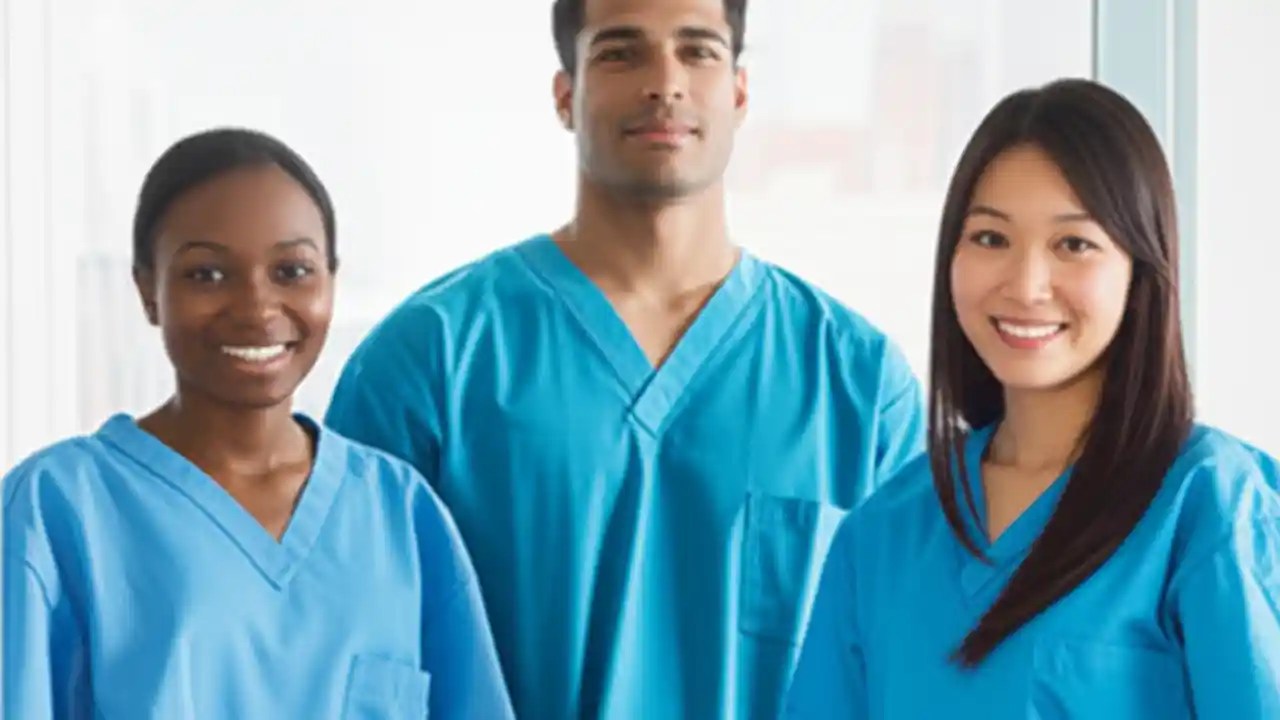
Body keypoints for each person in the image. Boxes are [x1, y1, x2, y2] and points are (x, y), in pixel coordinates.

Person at [324, 0, 925, 717]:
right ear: (565, 95)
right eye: (620, 52)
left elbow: (906, 673)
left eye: (697, 50)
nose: (664, 82)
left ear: (738, 91)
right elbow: (350, 665)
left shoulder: (856, 383)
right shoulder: (427, 363)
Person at [784, 78, 1280, 719]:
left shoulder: (1211, 508)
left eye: (1073, 244)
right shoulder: (882, 535)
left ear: (1139, 271)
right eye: (991, 238)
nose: (1026, 284)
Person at [2, 128, 514, 719]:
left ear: (331, 281)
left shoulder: (400, 513)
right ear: (147, 290)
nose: (256, 308)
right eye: (207, 275)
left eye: (292, 271)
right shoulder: (54, 510)